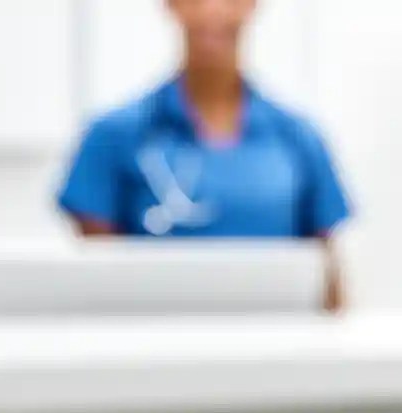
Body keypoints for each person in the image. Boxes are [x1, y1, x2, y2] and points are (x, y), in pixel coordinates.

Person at [57, 0, 352, 311]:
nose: (212, 10)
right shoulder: (112, 137)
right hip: (153, 351)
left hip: (275, 348)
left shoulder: (298, 139)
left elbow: (327, 283)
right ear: (171, 5)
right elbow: (96, 291)